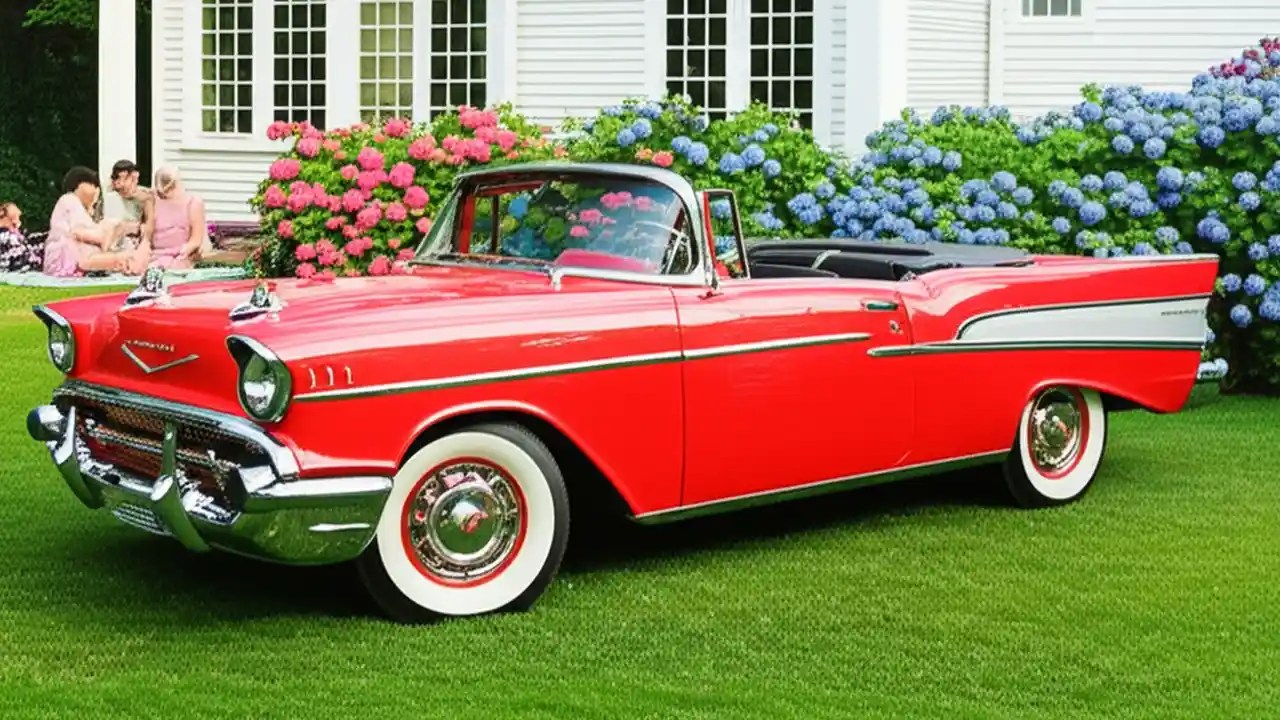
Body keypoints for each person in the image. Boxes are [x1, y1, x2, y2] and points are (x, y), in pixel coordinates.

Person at [42, 167, 138, 276]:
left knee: (124, 253)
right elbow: (78, 232)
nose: (95, 191)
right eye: (93, 185)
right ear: (79, 185)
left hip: (78, 259)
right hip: (69, 259)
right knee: (122, 255)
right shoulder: (69, 200)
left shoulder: (77, 206)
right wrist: (105, 234)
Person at [149, 166, 210, 270]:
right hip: (155, 255)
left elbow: (196, 239)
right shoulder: (151, 201)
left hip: (182, 254)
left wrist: (183, 253)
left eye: (171, 187)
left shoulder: (193, 203)